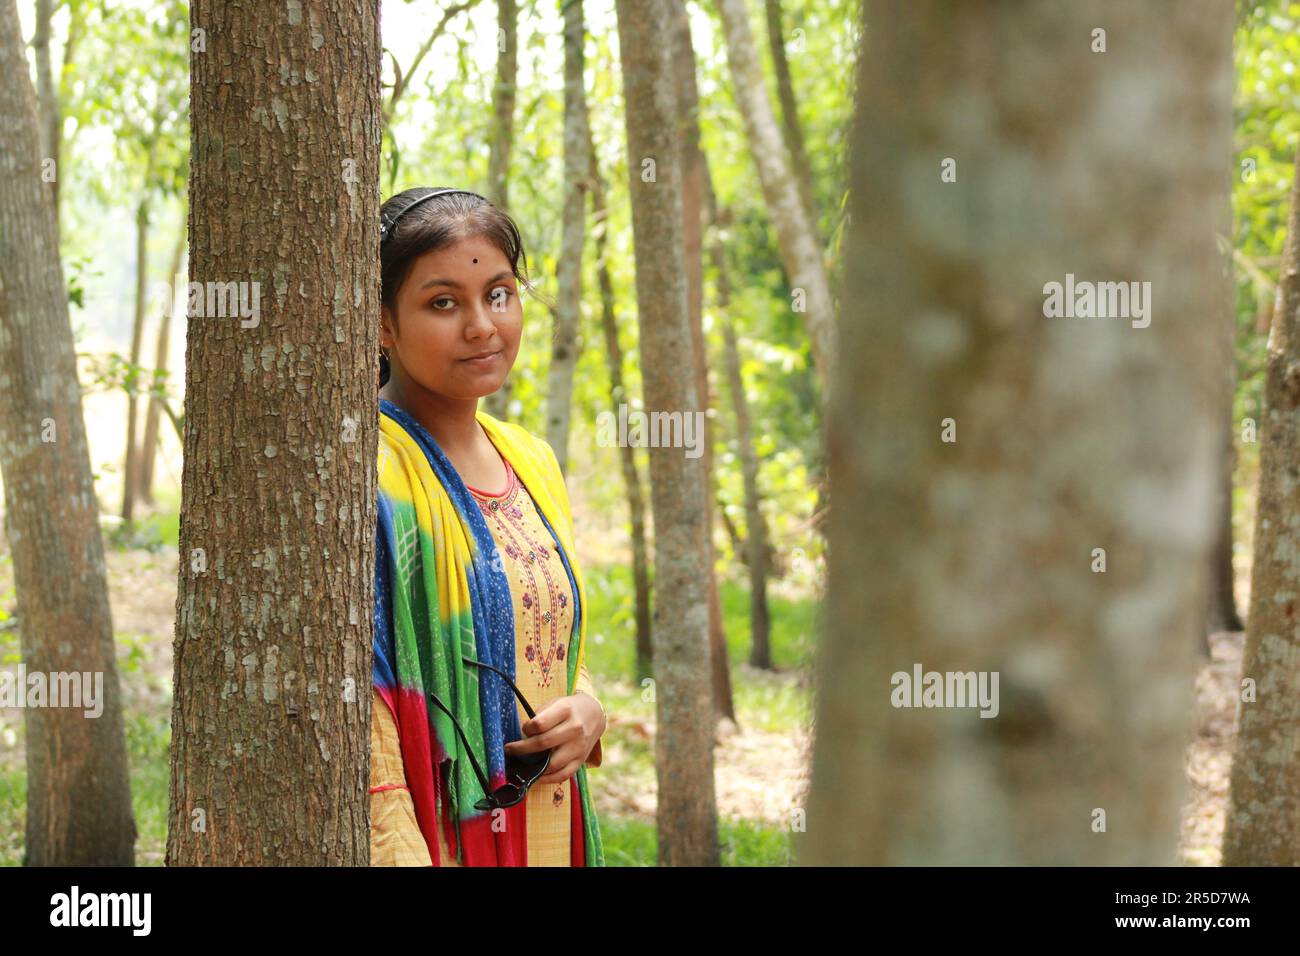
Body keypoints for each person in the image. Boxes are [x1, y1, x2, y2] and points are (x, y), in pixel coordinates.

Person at [370, 187, 606, 866]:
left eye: (498, 293)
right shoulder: (370, 471)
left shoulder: (530, 459)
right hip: (438, 836)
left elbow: (555, 638)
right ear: (382, 322)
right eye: (443, 303)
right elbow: (364, 696)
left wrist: (587, 710)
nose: (482, 325)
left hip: (551, 828)